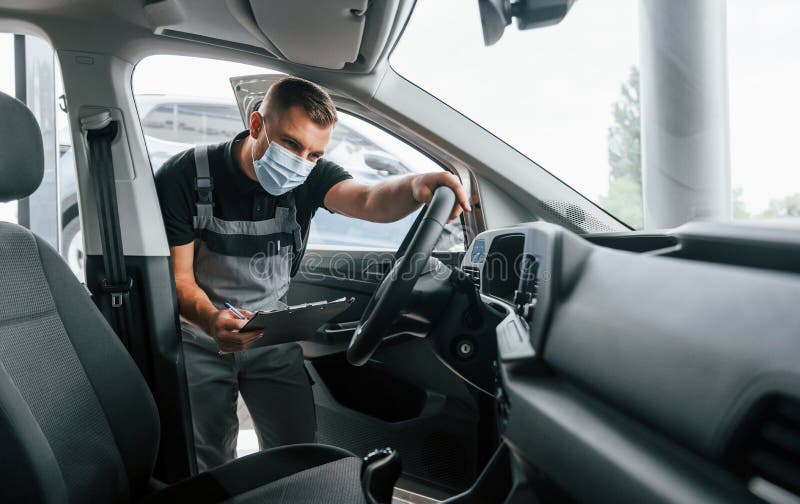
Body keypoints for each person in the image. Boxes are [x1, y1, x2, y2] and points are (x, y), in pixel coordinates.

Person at [155, 76, 470, 471]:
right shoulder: (186, 175)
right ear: (257, 125)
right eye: (290, 143)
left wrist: (418, 184)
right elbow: (179, 279)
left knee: (299, 454)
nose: (301, 162)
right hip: (201, 336)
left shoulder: (309, 177)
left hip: (270, 333)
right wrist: (211, 320)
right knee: (208, 460)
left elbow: (369, 200)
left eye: (314, 154)